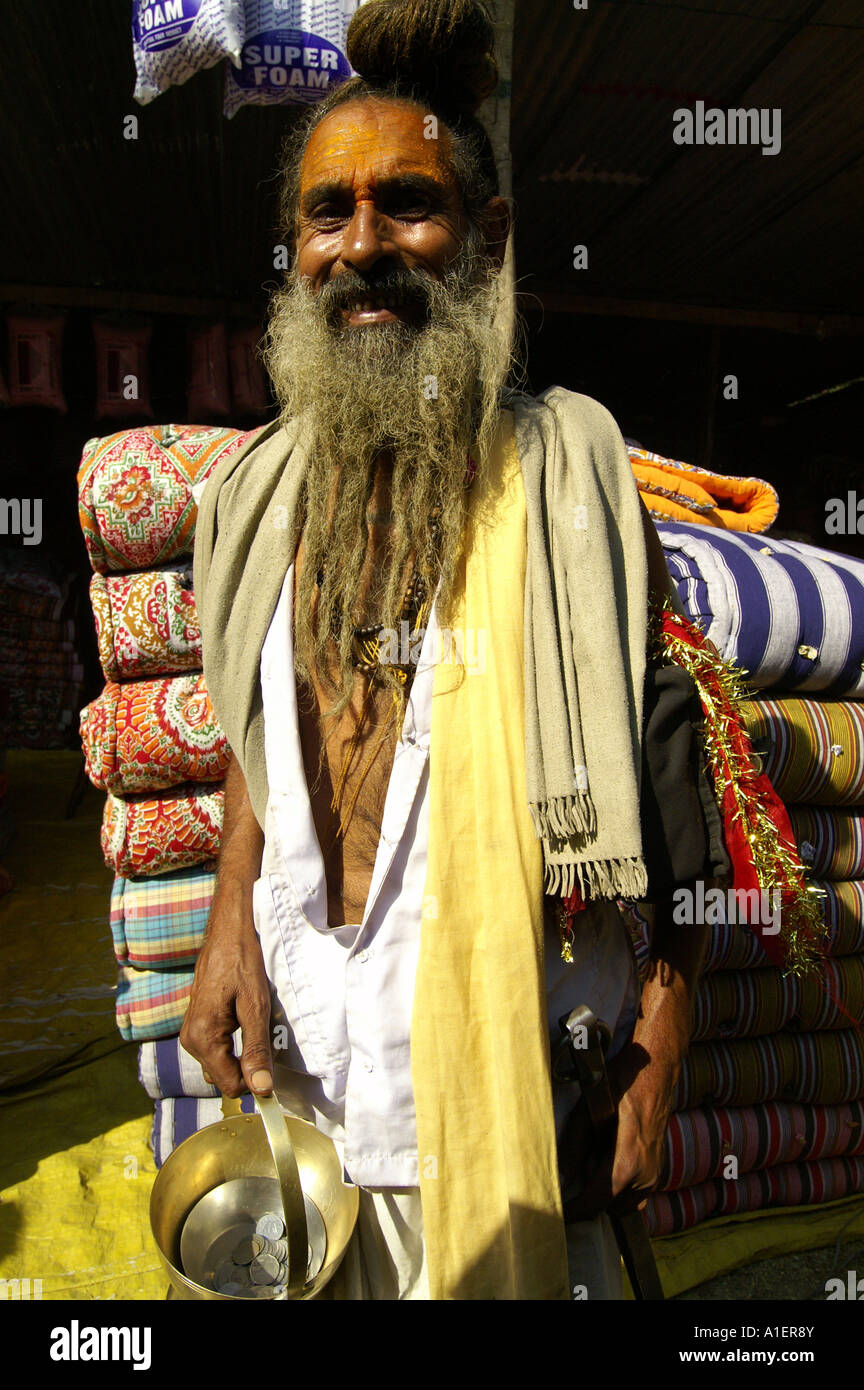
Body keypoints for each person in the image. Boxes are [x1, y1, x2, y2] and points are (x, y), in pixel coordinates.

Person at [181, 0, 718, 1300]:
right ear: (294, 249)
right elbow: (261, 720)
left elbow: (677, 807)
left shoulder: (566, 482)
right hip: (306, 1124)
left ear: (487, 240)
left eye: (406, 202)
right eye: (328, 212)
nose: (363, 247)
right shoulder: (254, 505)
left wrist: (663, 1033)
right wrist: (226, 911)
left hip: (515, 1122)